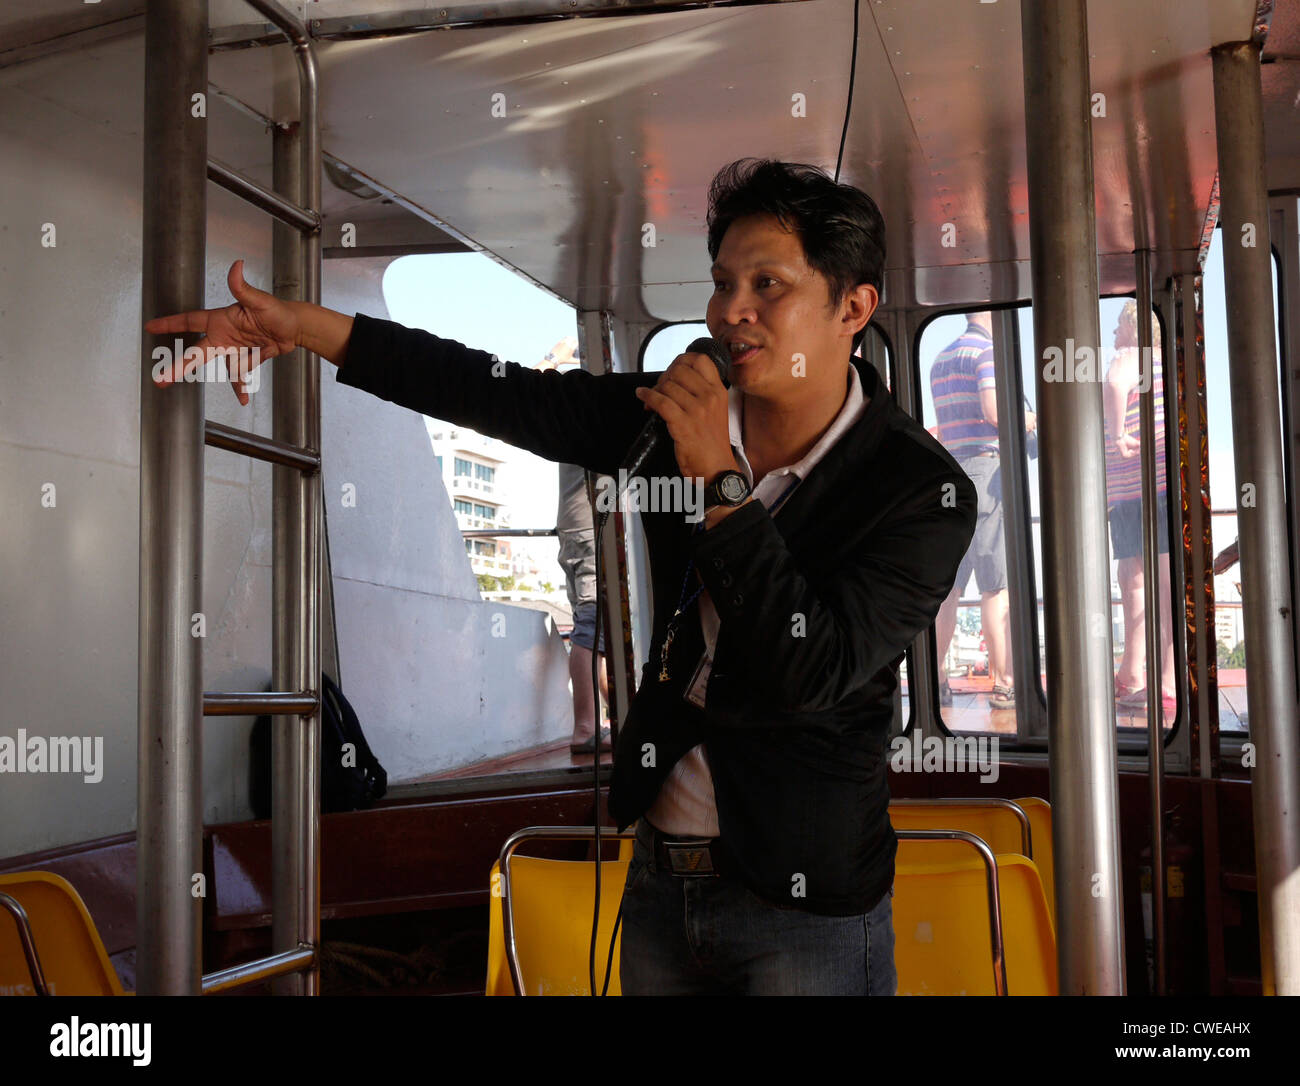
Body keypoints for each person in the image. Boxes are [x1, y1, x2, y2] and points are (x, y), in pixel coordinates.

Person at [147, 158, 976, 996]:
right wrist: (303, 328)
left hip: (807, 907)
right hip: (661, 872)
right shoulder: (675, 413)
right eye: (723, 283)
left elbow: (813, 671)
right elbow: (500, 393)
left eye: (769, 284)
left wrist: (723, 488)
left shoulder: (917, 492)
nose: (732, 313)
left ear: (854, 308)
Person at [929, 312, 1033, 713]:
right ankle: (1004, 684)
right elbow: (993, 412)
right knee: (996, 587)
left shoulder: (941, 358)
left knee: (949, 589)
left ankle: (937, 679)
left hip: (949, 474)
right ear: (989, 315)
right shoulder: (986, 352)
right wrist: (1030, 419)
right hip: (985, 470)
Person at [535, 337, 613, 755]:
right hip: (589, 532)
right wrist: (555, 357)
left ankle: (609, 720)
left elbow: (530, 395)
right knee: (591, 629)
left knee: (599, 631)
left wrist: (555, 358)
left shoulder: (571, 410)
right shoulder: (594, 409)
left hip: (576, 530)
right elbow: (528, 390)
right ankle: (585, 728)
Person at [1104, 301, 1175, 721]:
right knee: (1144, 584)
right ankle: (1135, 675)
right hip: (1144, 488)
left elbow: (1114, 383)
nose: (1113, 336)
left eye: (1117, 327)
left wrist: (1118, 435)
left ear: (1134, 328)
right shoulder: (1160, 362)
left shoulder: (1135, 356)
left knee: (1143, 587)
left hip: (1147, 487)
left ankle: (1160, 682)